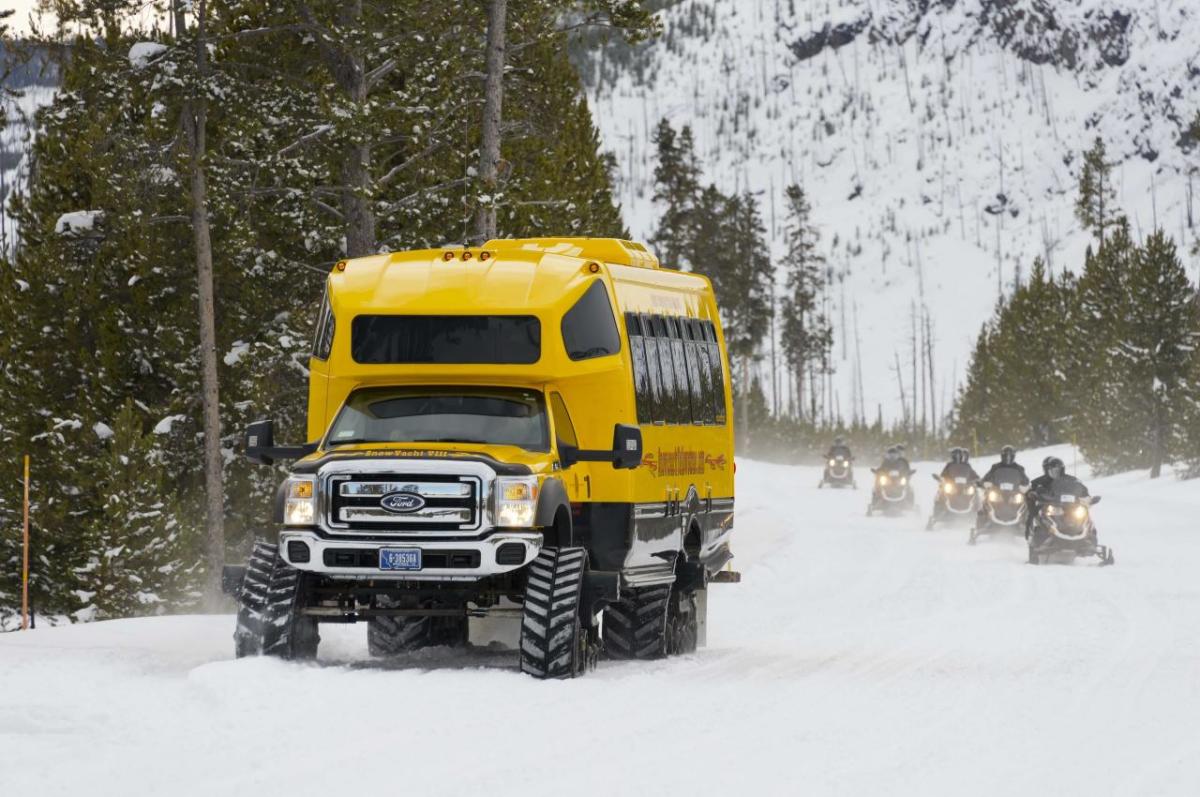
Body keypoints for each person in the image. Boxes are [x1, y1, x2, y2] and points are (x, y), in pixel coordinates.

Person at [1025, 456, 1089, 539]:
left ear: (1062, 469)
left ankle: (1088, 535)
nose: (1056, 472)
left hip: (1070, 506)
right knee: (1033, 513)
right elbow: (1030, 492)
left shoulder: (1071, 479)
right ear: (1047, 470)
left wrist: (1087, 496)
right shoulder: (1039, 481)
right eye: (1054, 470)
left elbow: (1081, 489)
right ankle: (1031, 533)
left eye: (1059, 469)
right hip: (1050, 505)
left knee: (1086, 517)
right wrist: (1032, 494)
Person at [976, 445, 1030, 529]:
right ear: (1002, 456)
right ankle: (981, 525)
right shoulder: (996, 467)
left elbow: (1025, 480)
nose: (1008, 457)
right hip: (998, 492)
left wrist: (1026, 485)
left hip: (1013, 493)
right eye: (1006, 455)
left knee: (1024, 505)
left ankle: (1025, 525)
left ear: (1013, 456)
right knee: (985, 502)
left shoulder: (1019, 468)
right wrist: (982, 482)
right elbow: (987, 477)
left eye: (1010, 455)